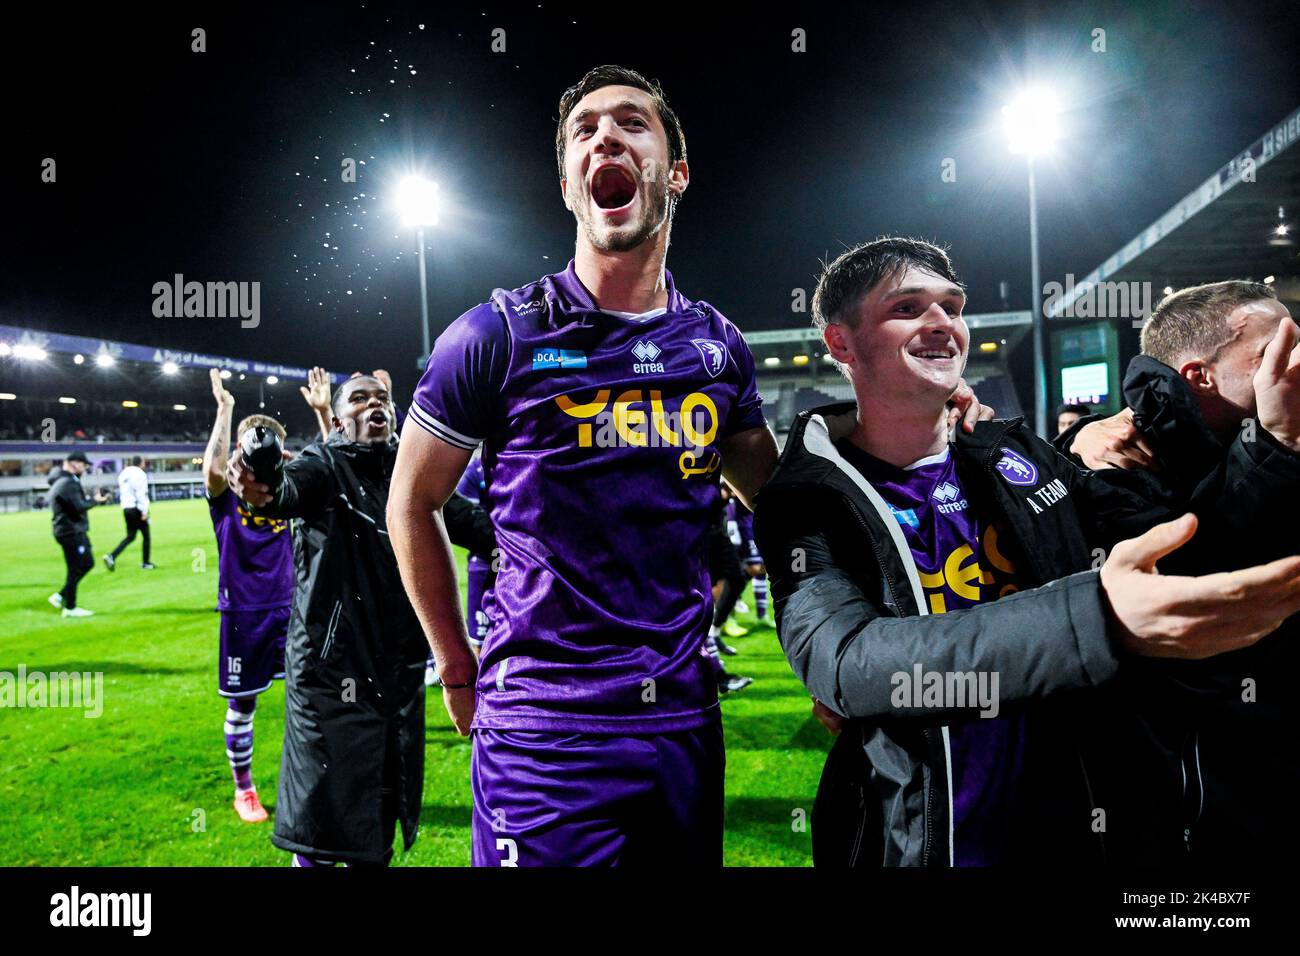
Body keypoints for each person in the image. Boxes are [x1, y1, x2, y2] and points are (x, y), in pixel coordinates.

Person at [753, 238, 1300, 866]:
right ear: (840, 344)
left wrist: (1252, 442)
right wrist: (1096, 618)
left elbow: (1182, 563)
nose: (942, 323)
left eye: (952, 306)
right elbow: (850, 660)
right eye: (908, 307)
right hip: (934, 840)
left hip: (1086, 828)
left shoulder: (1023, 458)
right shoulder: (804, 499)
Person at [1060, 279, 1300, 862]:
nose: (1294, 362)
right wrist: (1280, 441)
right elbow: (1205, 590)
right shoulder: (1117, 462)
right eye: (1275, 349)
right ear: (1201, 376)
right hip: (1209, 806)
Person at [227, 373, 494, 866]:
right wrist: (257, 467)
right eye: (359, 398)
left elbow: (475, 526)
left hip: (397, 677)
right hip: (331, 680)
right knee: (322, 825)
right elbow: (280, 491)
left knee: (377, 824)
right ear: (339, 416)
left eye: (383, 398)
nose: (375, 405)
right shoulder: (323, 466)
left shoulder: (409, 476)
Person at [201, 368, 293, 825]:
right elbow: (214, 470)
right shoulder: (226, 493)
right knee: (243, 704)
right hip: (243, 611)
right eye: (252, 444)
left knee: (311, 697)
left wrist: (321, 414)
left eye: (270, 443)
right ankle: (245, 790)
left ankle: (306, 784)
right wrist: (226, 409)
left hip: (293, 607)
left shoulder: (290, 491)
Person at [46, 450, 108, 618]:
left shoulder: (63, 480)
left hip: (71, 530)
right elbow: (79, 506)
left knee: (87, 563)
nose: (85, 468)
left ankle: (60, 596)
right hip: (71, 531)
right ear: (74, 464)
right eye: (83, 465)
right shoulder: (68, 483)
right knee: (76, 567)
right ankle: (70, 607)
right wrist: (96, 500)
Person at [105, 456, 153, 570]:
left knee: (131, 536)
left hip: (126, 508)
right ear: (141, 463)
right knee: (146, 536)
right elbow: (141, 493)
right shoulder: (140, 474)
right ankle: (146, 563)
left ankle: (111, 556)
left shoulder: (124, 473)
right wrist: (145, 511)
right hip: (136, 507)